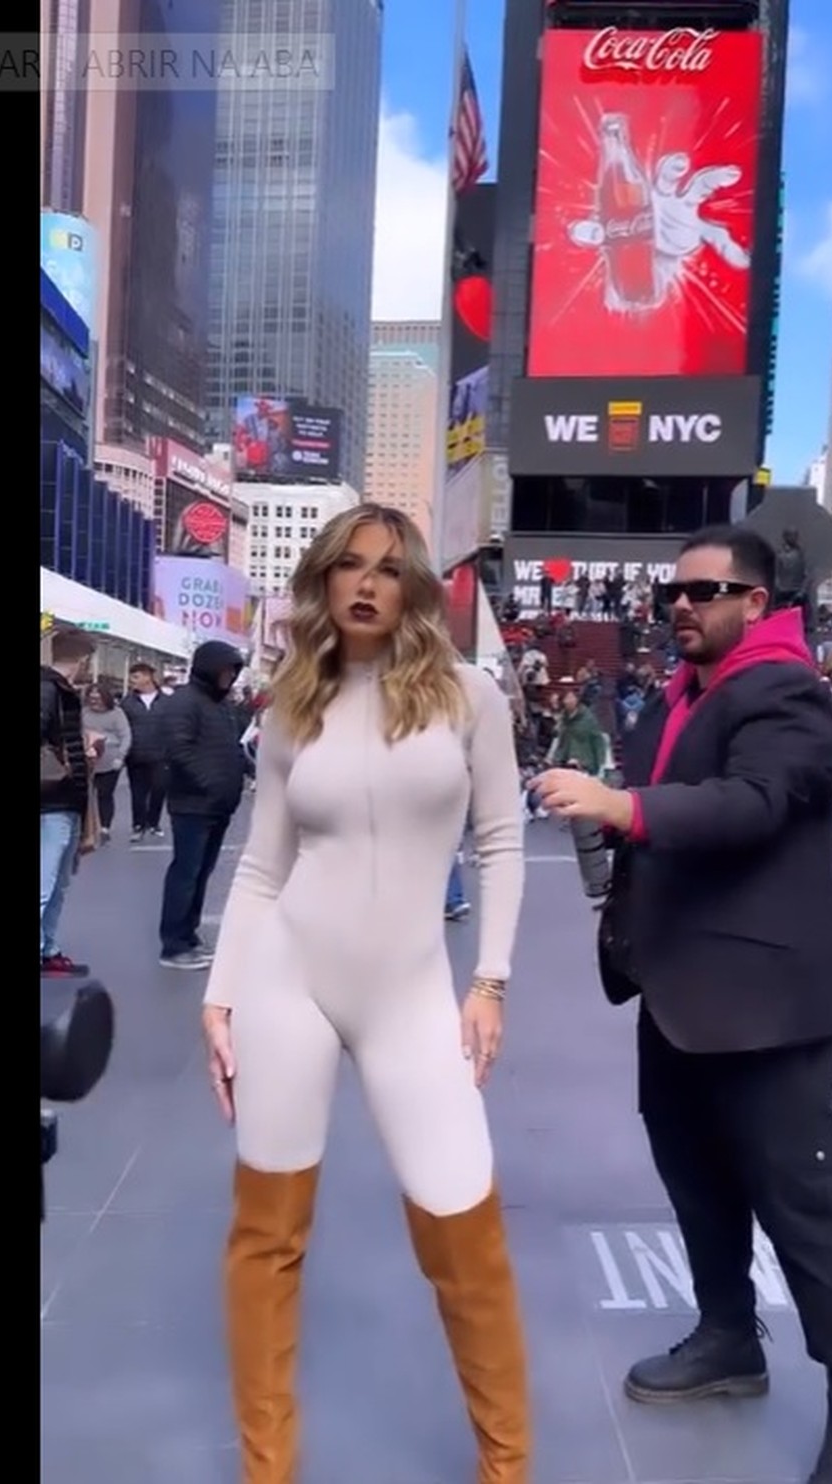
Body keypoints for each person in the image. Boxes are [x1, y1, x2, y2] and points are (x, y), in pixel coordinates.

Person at [534, 524, 832, 1484]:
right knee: (695, 1174)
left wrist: (621, 808)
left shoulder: (793, 695)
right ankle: (728, 1335)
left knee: (800, 1195)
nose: (680, 608)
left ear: (757, 603)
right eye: (670, 597)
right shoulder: (680, 698)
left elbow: (755, 803)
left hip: (775, 999)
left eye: (704, 592)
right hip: (680, 991)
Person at [200, 503, 529, 1482]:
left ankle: (508, 1466)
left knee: (466, 1234)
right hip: (285, 980)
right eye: (348, 563)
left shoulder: (472, 697)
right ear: (324, 579)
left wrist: (491, 981)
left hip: (415, 993)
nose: (367, 581)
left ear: (415, 585)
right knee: (265, 1236)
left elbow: (502, 839)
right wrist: (220, 994)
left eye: (388, 566)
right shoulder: (296, 705)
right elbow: (263, 866)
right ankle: (268, 1468)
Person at [158, 641, 247, 970]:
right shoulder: (185, 702)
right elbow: (179, 750)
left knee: (200, 873)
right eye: (225, 670)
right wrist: (210, 784)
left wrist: (241, 775)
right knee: (186, 871)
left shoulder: (221, 706)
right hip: (192, 804)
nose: (229, 677)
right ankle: (173, 943)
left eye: (233, 671)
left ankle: (189, 935)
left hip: (217, 806)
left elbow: (232, 748)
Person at [40, 627, 96, 976]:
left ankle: (47, 949)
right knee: (45, 882)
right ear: (82, 659)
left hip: (65, 798)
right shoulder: (48, 688)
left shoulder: (58, 688)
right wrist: (65, 757)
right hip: (52, 799)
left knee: (58, 881)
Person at [121, 662, 170, 842]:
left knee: (159, 790)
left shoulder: (166, 702)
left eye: (136, 677)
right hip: (136, 755)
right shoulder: (127, 703)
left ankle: (154, 822)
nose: (132, 681)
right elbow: (123, 728)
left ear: (148, 677)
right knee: (138, 792)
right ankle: (138, 825)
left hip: (161, 755)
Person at [84, 682, 132, 842]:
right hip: (87, 759)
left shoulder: (116, 714)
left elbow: (126, 735)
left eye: (98, 699)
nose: (94, 702)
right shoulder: (84, 713)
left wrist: (120, 757)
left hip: (110, 760)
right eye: (92, 699)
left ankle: (105, 827)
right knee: (86, 795)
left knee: (105, 794)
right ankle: (88, 828)